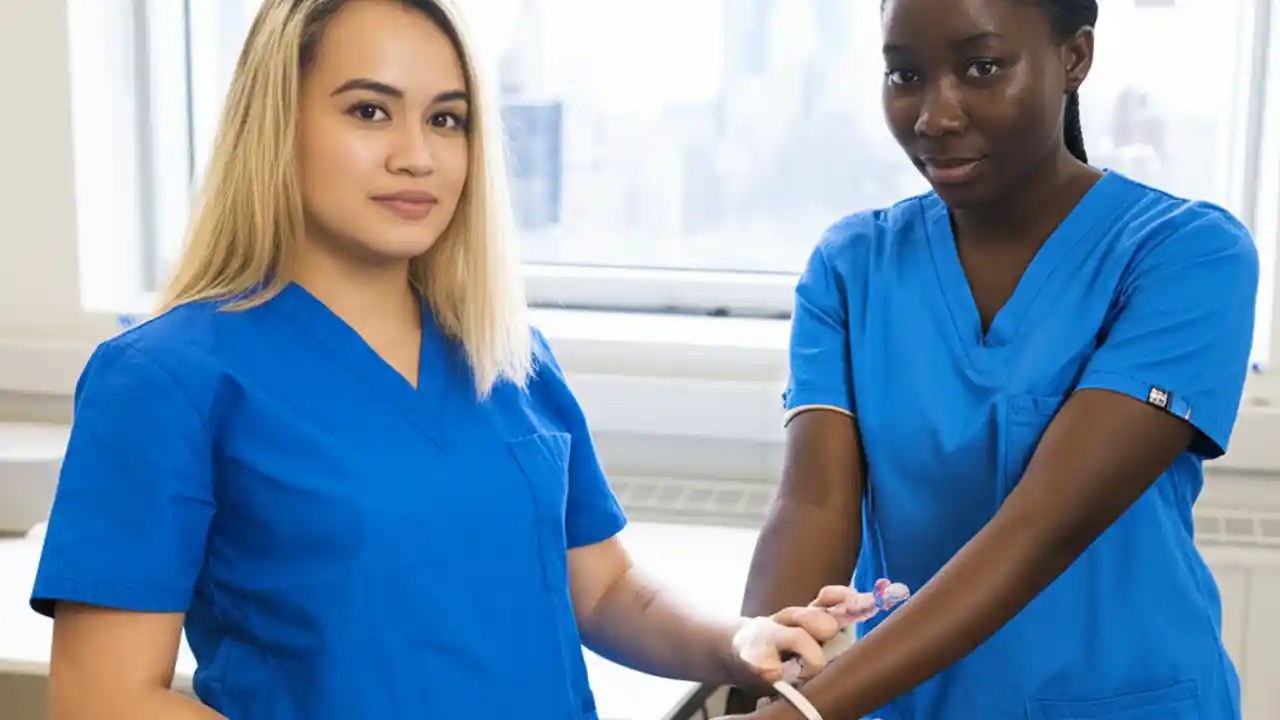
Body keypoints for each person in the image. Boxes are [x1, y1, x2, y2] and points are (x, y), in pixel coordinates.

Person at [28, 1, 864, 718]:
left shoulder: (509, 359)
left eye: (446, 119)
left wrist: (740, 641)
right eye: (369, 111)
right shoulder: (165, 380)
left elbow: (608, 590)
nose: (417, 156)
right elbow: (105, 699)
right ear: (275, 123)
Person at [721, 0, 1258, 718]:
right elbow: (813, 504)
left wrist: (807, 712)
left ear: (1074, 57)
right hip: (896, 703)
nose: (934, 117)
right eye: (905, 74)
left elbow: (1043, 527)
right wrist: (761, 685)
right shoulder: (853, 266)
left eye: (982, 68)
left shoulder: (1186, 255)